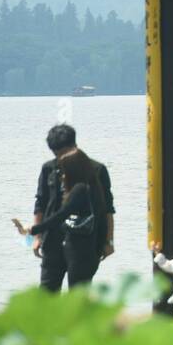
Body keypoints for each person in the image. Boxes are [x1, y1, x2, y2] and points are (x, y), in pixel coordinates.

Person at [31, 123, 115, 292]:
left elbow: (107, 209)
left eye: (64, 153)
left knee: (79, 295)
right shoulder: (49, 168)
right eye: (56, 154)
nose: (60, 158)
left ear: (75, 146)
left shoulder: (96, 169)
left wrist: (108, 240)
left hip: (86, 241)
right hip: (52, 240)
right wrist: (38, 237)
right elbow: (41, 202)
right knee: (46, 293)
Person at [18, 149, 107, 288]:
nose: (63, 176)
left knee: (72, 300)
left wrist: (34, 229)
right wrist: (102, 246)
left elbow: (61, 215)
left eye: (65, 171)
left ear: (74, 170)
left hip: (78, 252)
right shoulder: (94, 186)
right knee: (80, 298)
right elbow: (103, 218)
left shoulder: (79, 189)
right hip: (89, 251)